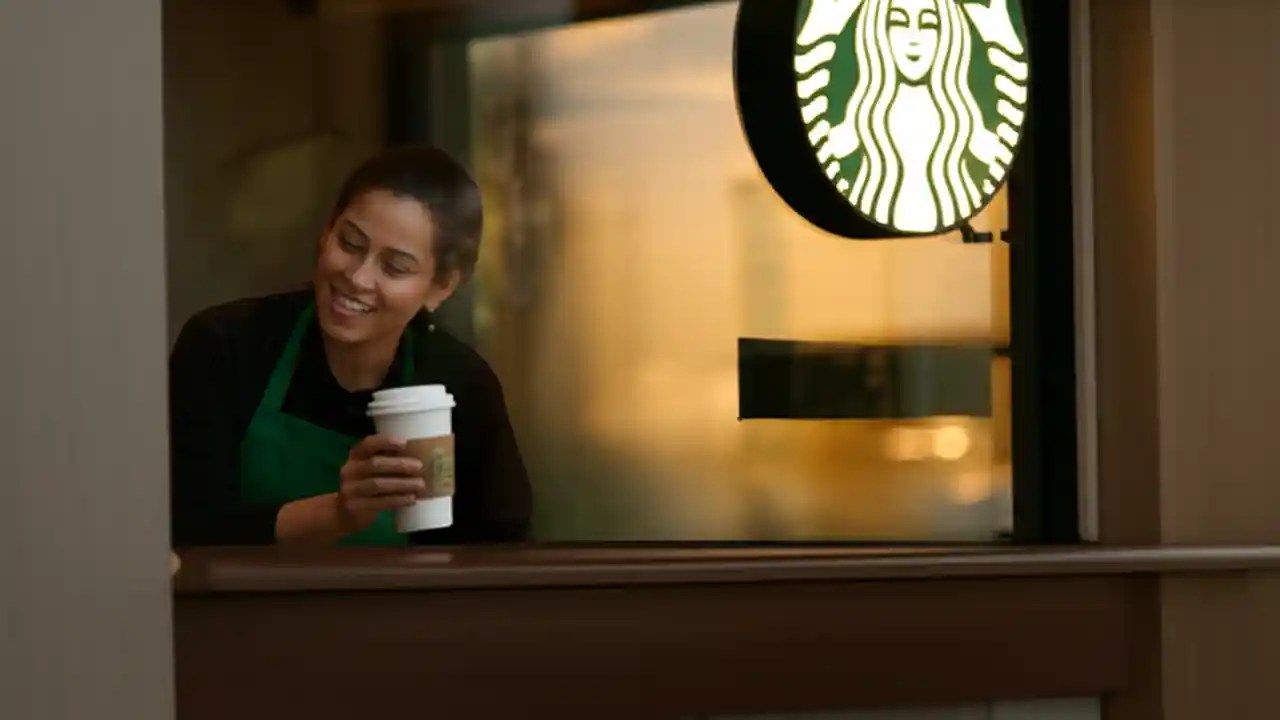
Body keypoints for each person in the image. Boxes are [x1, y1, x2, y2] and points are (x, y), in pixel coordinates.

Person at [169, 146, 531, 546]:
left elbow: (501, 552)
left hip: (401, 610)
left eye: (396, 267)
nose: (358, 277)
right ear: (326, 232)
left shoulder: (460, 385)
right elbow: (186, 532)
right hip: (243, 609)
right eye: (350, 242)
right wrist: (338, 514)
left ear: (440, 287)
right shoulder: (225, 347)